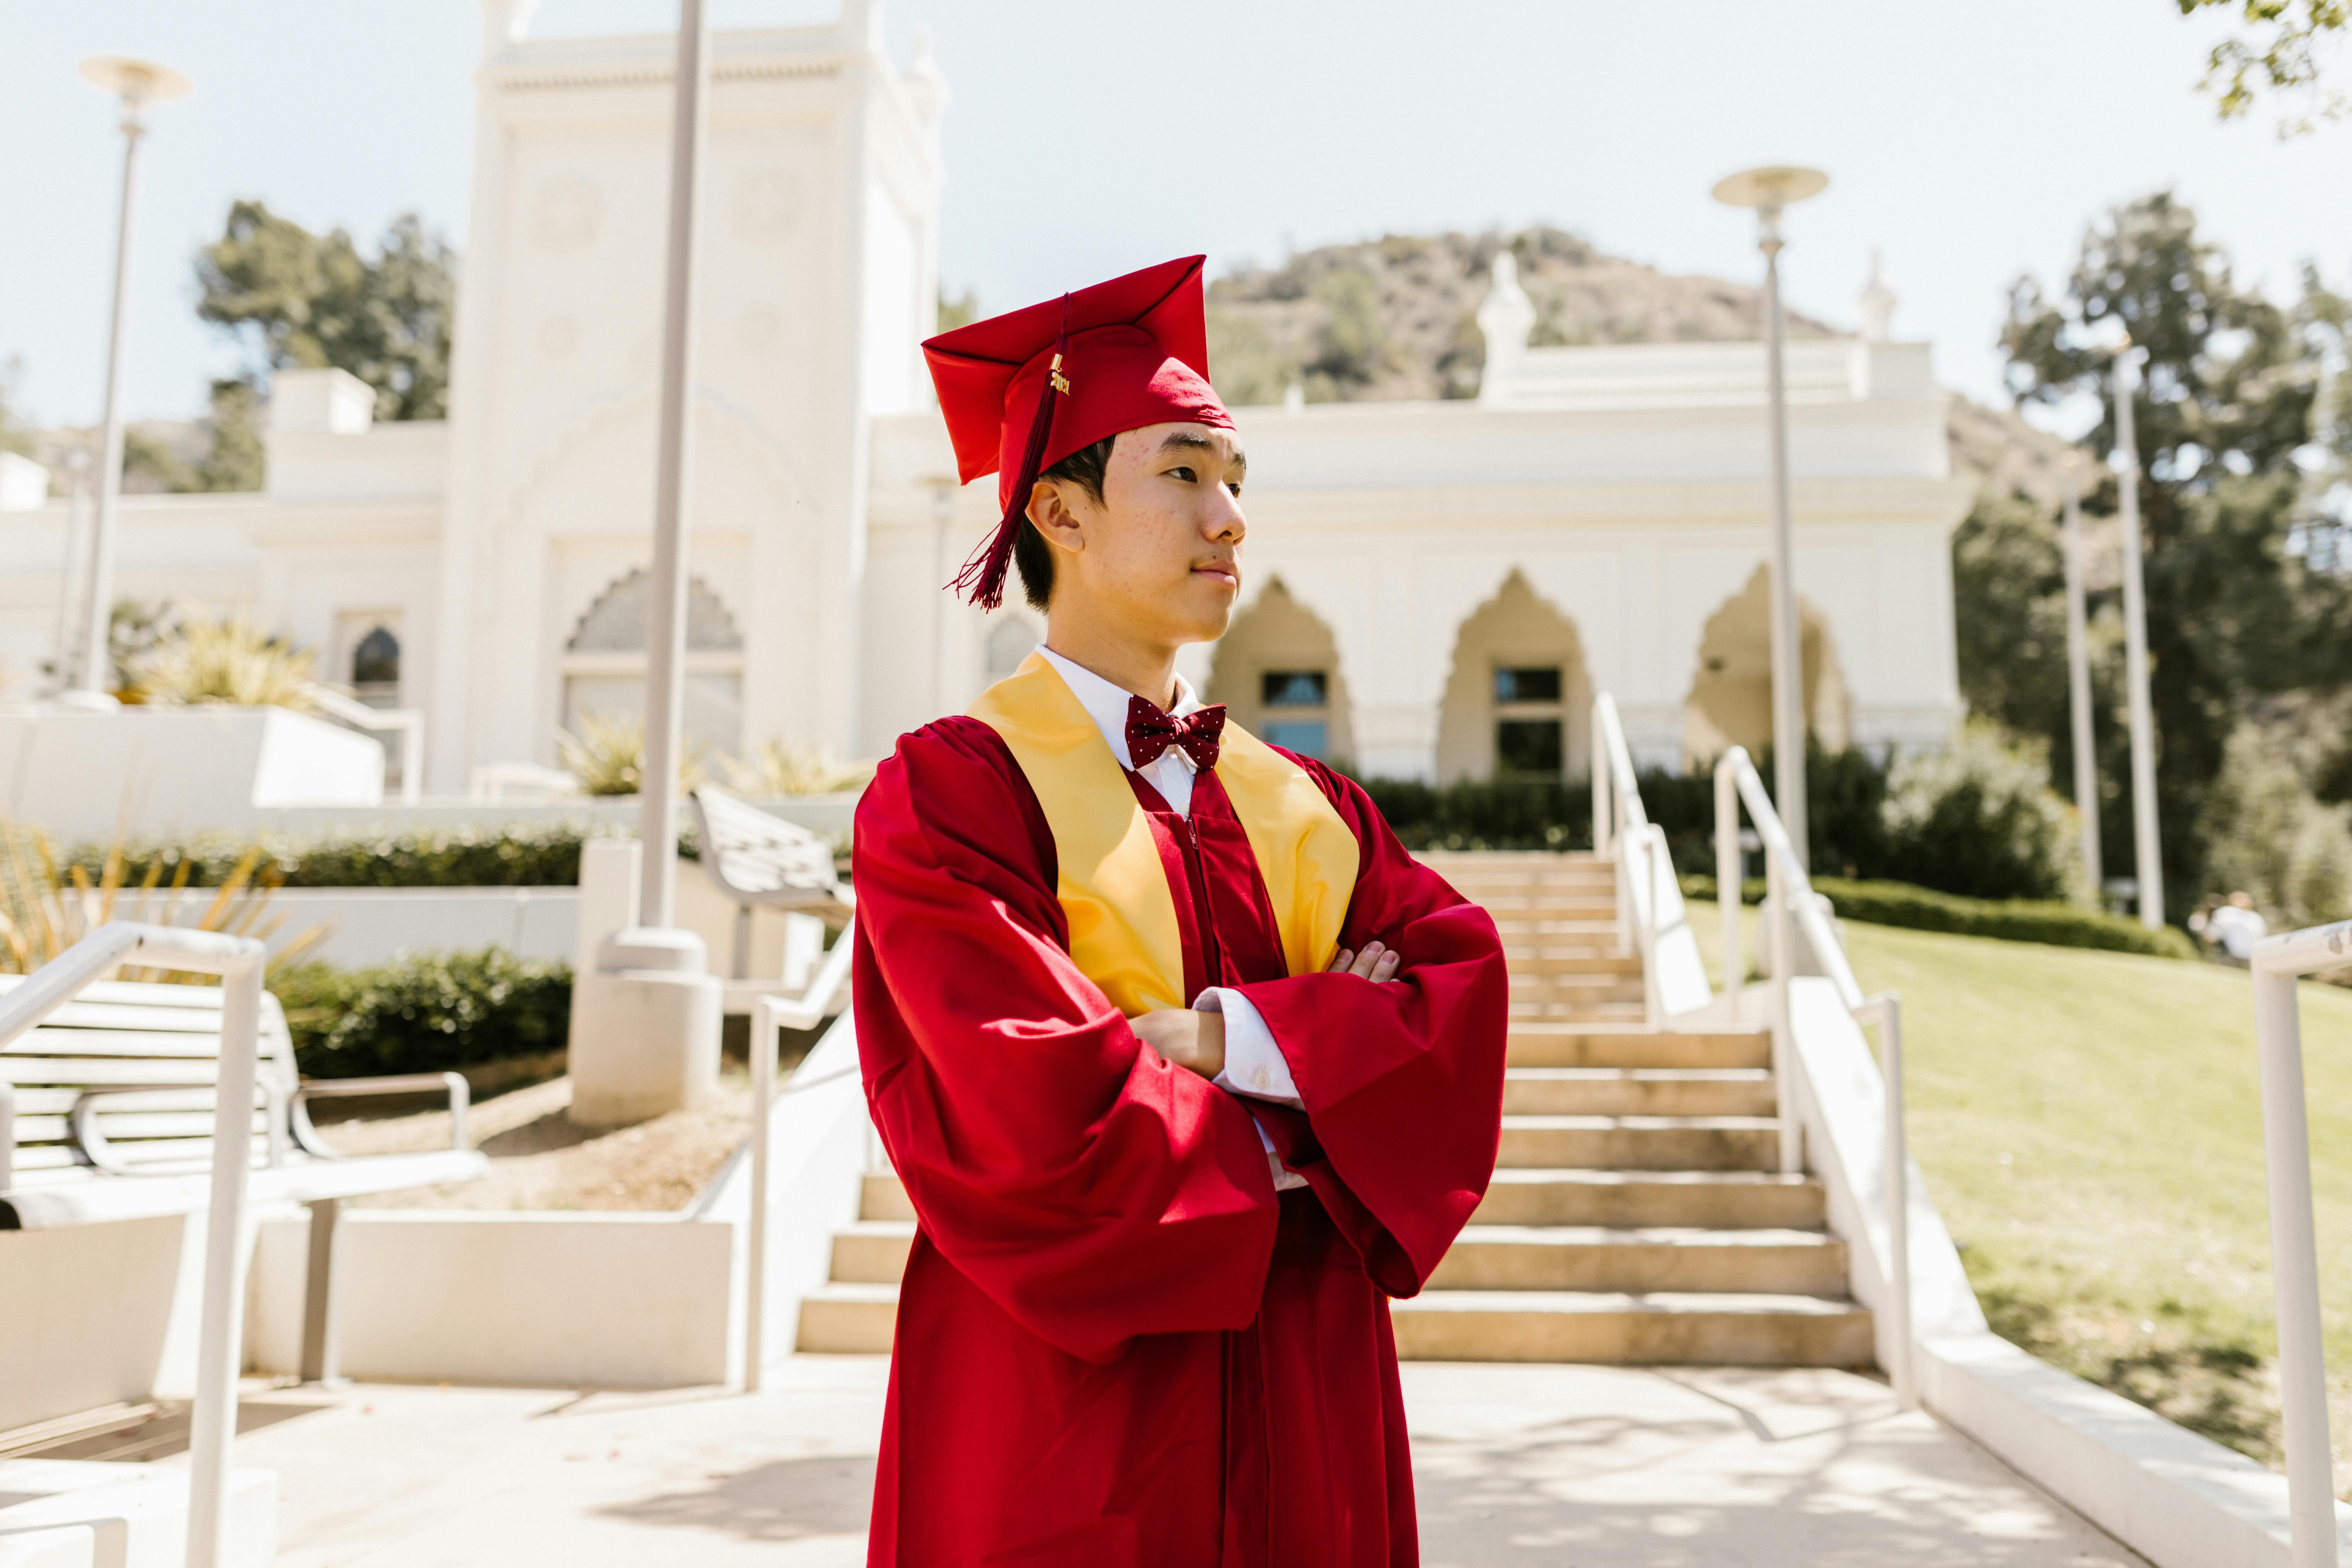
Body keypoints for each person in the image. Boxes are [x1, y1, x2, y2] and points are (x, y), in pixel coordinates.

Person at [851, 255, 1510, 1567]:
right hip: (1074, 1413)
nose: (1231, 519)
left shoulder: (1305, 803)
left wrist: (1217, 1041)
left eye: (1238, 483)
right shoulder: (950, 793)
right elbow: (1031, 1107)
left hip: (1308, 1380)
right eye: (1183, 473)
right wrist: (1325, 1080)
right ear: (1060, 511)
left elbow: (1458, 990)